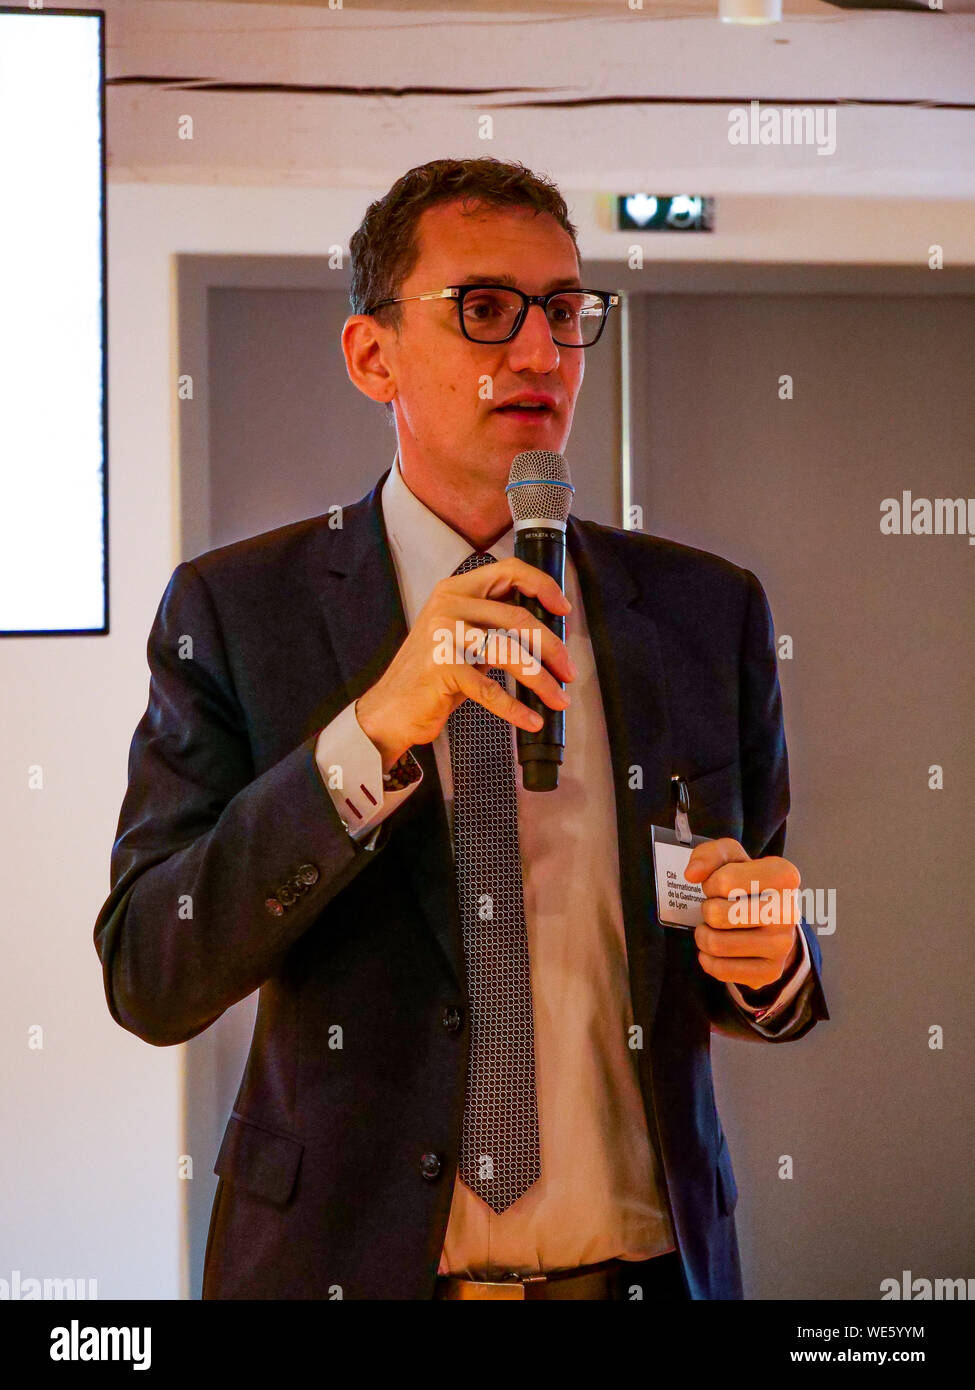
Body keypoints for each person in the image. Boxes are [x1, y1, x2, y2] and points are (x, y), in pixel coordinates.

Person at [94, 156, 828, 1301]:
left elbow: (749, 915)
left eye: (563, 312)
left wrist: (772, 956)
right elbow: (151, 969)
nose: (538, 352)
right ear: (371, 354)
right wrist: (379, 725)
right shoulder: (238, 610)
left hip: (643, 1273)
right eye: (484, 311)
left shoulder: (704, 611)